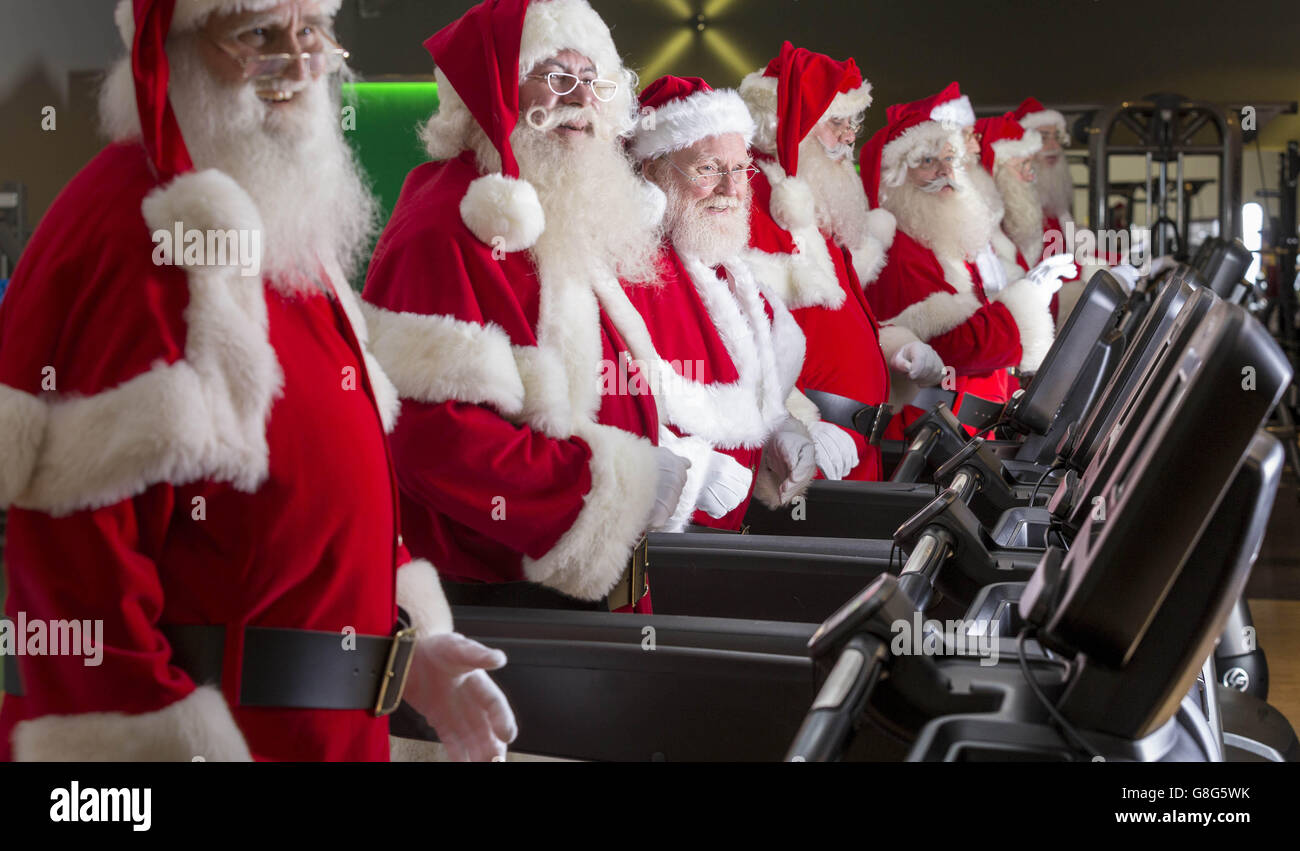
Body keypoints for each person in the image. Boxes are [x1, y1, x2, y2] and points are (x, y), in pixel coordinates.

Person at [0, 0, 515, 761]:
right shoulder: (139, 235)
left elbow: (308, 519)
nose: (299, 61)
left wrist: (401, 657)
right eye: (256, 34)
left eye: (311, 31)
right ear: (168, 52)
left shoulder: (275, 224)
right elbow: (73, 583)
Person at [360, 0, 687, 612]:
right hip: (505, 600)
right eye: (557, 76)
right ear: (495, 90)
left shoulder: (552, 211)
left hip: (588, 578)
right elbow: (435, 437)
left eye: (591, 81)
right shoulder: (445, 224)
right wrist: (608, 488)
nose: (582, 98)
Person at [610, 75, 816, 530]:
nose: (731, 188)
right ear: (653, 170)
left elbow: (749, 390)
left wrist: (774, 433)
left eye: (741, 168)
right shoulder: (624, 268)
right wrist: (686, 468)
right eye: (707, 169)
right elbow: (605, 407)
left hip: (723, 539)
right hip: (652, 542)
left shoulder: (724, 264)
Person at [740, 43, 944, 481]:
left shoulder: (815, 208)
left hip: (851, 450)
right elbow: (736, 340)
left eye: (853, 123)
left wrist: (896, 348)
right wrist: (797, 424)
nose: (850, 137)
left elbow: (846, 322)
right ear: (793, 124)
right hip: (803, 457)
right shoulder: (750, 204)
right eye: (837, 123)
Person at [860, 95, 1074, 433]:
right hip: (931, 429)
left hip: (960, 422)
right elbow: (954, 342)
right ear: (897, 175)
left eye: (949, 158)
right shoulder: (901, 251)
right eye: (928, 161)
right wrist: (1024, 305)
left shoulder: (936, 234)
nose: (945, 171)